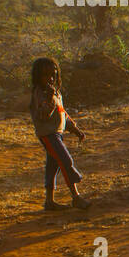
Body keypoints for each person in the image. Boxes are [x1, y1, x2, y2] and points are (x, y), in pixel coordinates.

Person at [30, 57, 91, 211]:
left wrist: (74, 129)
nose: (50, 78)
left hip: (56, 133)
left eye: (53, 74)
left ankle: (49, 201)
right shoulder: (39, 93)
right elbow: (43, 116)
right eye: (46, 75)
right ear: (38, 76)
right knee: (65, 161)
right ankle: (75, 197)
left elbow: (62, 113)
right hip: (48, 134)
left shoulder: (54, 92)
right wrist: (50, 98)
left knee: (53, 165)